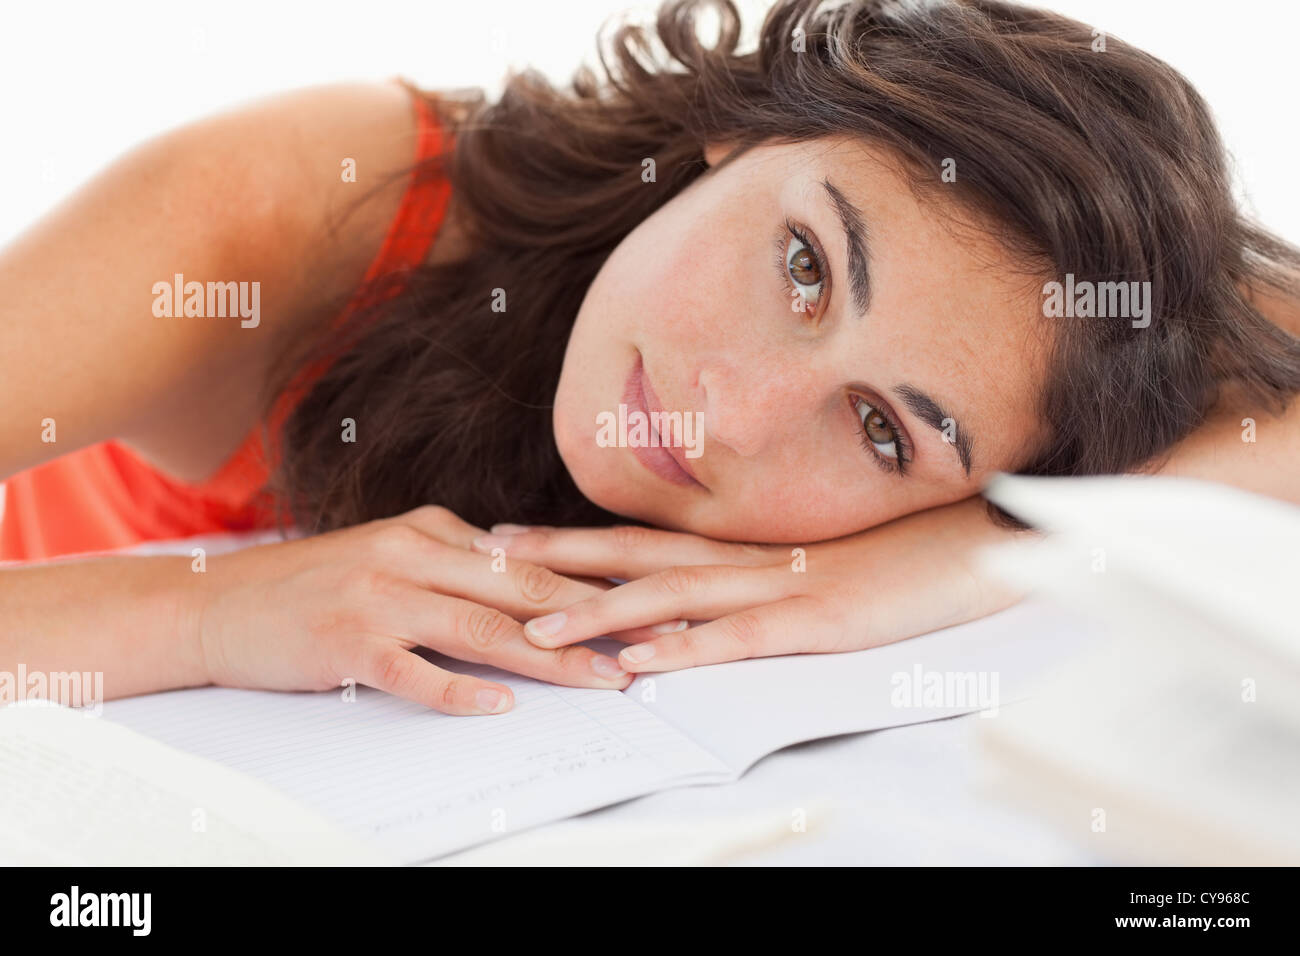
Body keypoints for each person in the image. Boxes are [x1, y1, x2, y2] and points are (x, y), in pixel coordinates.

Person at [2, 0, 1296, 715]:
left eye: (887, 431)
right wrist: (205, 614)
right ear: (742, 128)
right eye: (805, 265)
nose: (735, 414)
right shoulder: (293, 213)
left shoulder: (1066, 323)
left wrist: (963, 558)